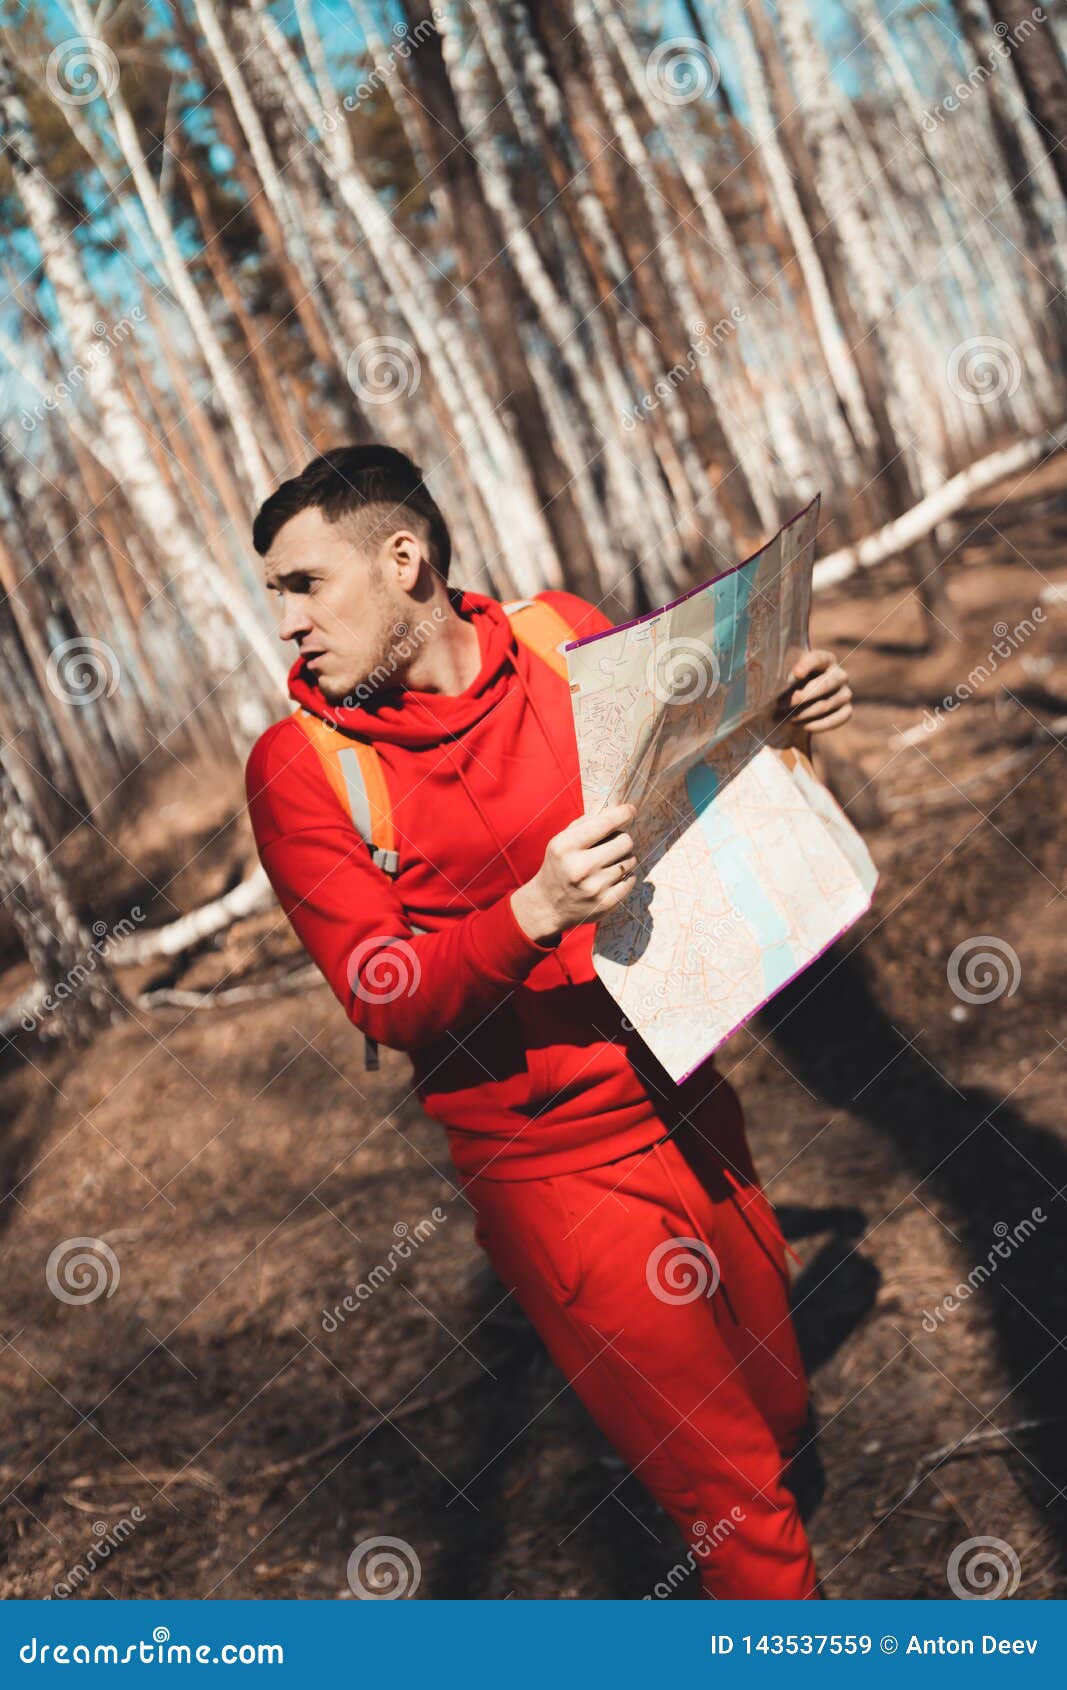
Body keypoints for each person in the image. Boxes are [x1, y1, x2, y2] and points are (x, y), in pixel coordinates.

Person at [244, 445, 854, 1599]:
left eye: (305, 584)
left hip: (688, 1088)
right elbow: (381, 988)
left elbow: (689, 772)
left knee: (777, 1403)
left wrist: (787, 710)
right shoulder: (299, 769)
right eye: (277, 593)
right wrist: (532, 911)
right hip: (551, 1172)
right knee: (736, 1506)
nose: (288, 623)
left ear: (402, 558)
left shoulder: (560, 636)